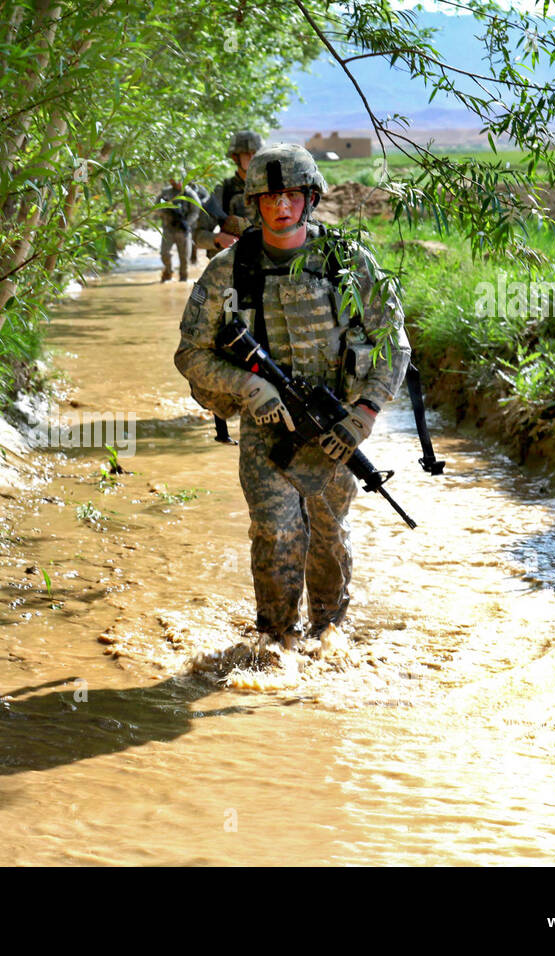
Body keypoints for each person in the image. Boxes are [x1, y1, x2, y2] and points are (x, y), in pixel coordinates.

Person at [173, 144, 411, 651]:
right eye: (270, 196)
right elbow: (190, 354)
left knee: (327, 532)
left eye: (292, 196)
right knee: (276, 532)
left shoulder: (347, 262)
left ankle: (328, 635)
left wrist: (364, 415)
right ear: (254, 203)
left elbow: (394, 341)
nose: (281, 206)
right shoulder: (227, 270)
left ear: (310, 198)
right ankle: (277, 641)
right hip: (265, 433)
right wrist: (248, 385)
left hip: (336, 427)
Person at [193, 129, 261, 260]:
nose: (252, 158)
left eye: (256, 153)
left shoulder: (273, 188)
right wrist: (218, 238)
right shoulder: (224, 191)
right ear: (236, 157)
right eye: (247, 154)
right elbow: (198, 236)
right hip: (235, 263)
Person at [156, 169, 208, 283]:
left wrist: (186, 223)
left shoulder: (190, 193)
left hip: (183, 230)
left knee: (184, 259)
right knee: (165, 254)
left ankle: (183, 280)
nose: (176, 182)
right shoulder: (166, 193)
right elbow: (156, 207)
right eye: (174, 179)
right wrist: (165, 212)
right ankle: (169, 272)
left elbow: (195, 211)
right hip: (168, 228)